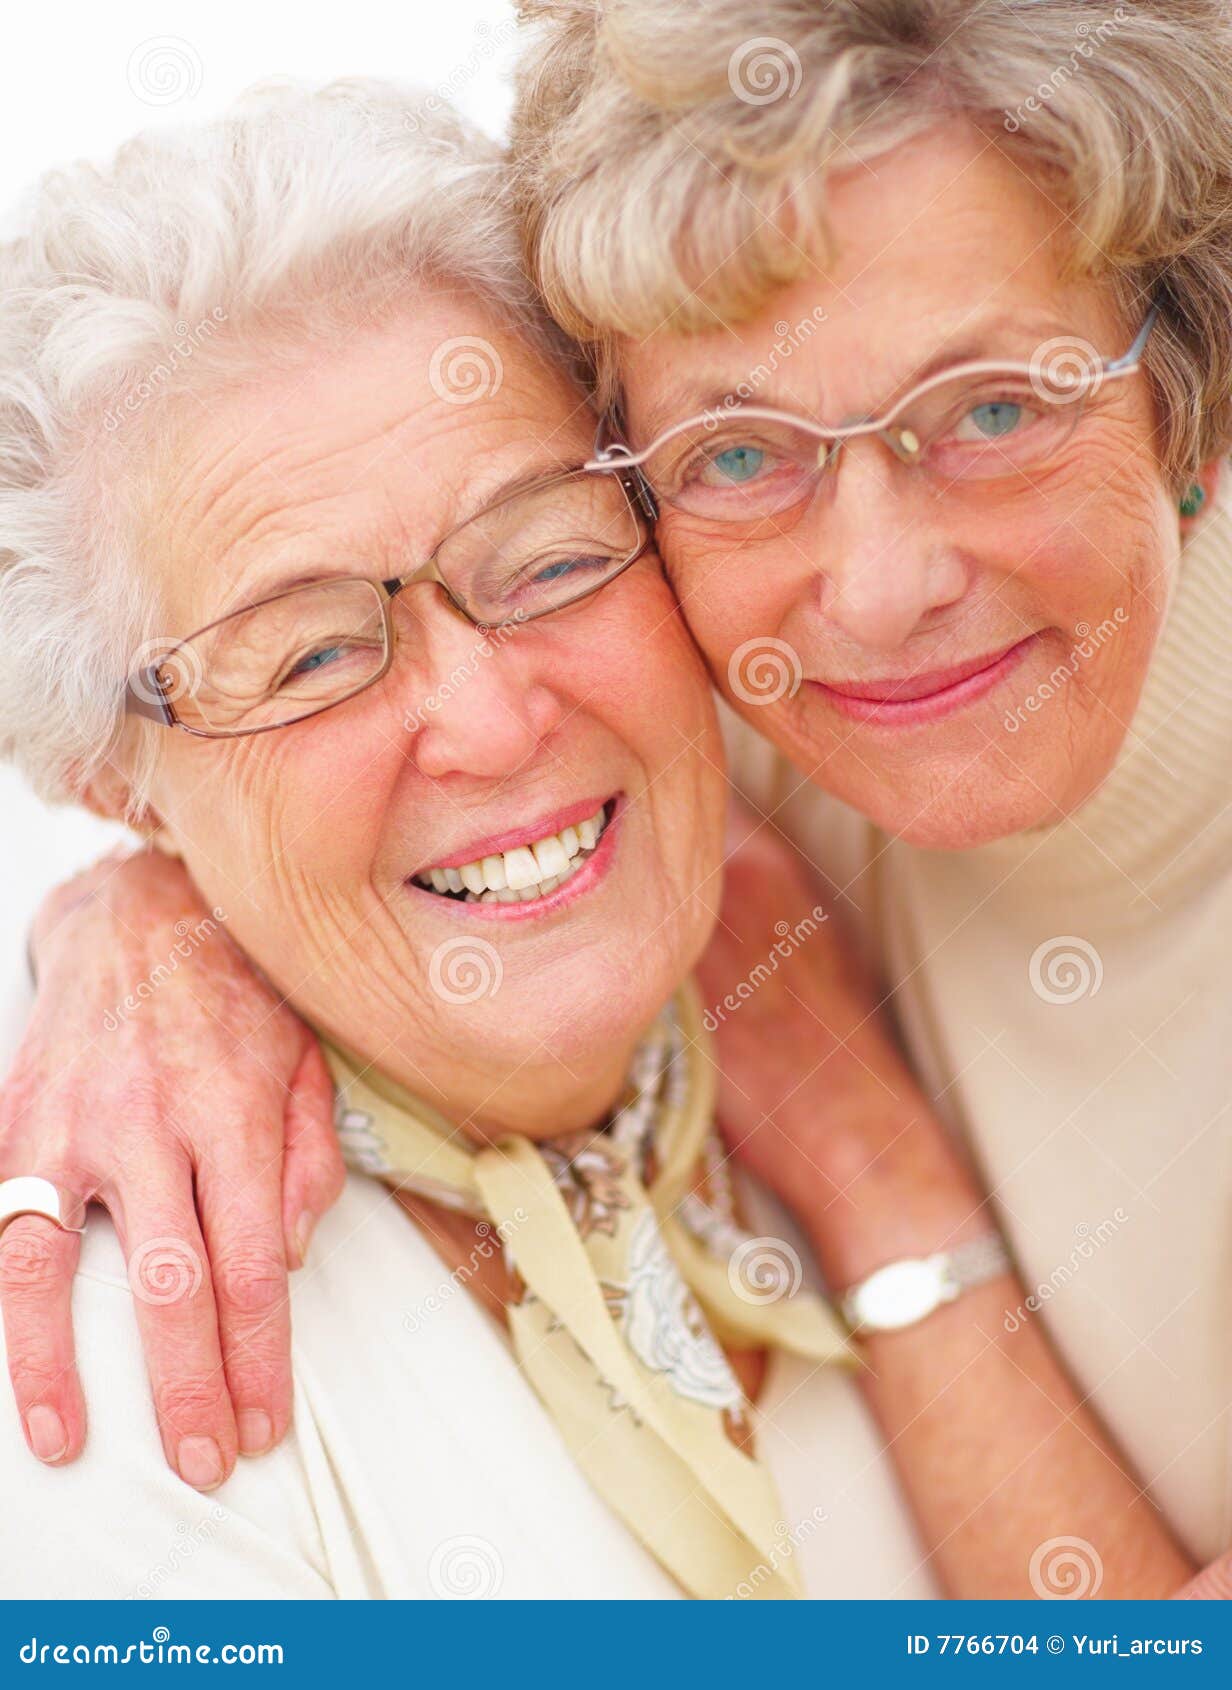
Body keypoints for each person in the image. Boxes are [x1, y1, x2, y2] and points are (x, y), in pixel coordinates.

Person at [5, 0, 1232, 1596]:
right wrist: (143, 915)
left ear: (1192, 386)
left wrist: (867, 1158)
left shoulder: (816, 737)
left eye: (997, 408)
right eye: (736, 455)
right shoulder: (780, 719)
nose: (874, 587)